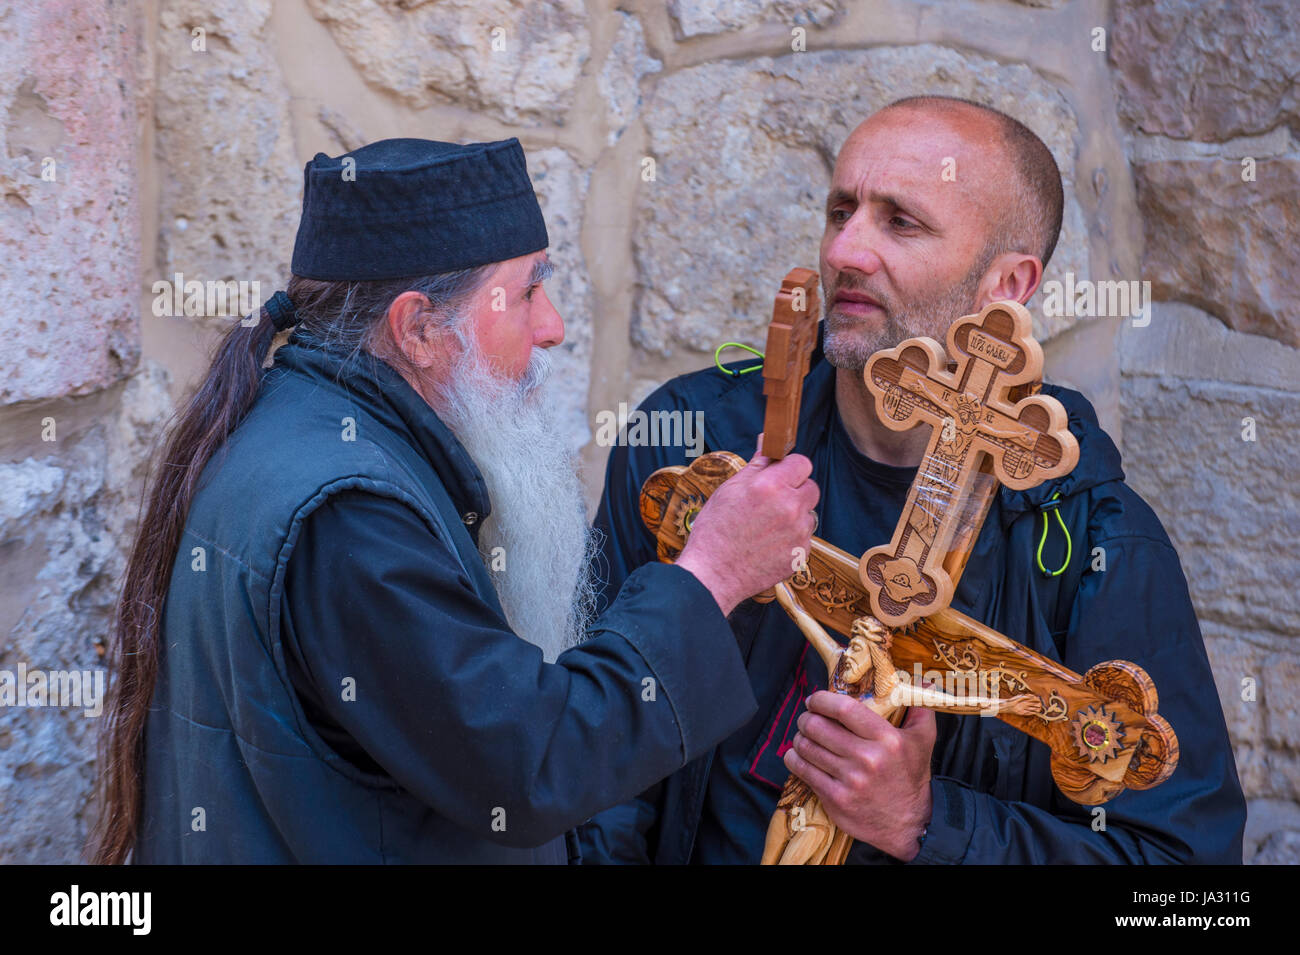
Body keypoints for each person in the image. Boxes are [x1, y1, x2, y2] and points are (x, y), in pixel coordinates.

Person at [90, 137, 819, 863]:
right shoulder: (349, 513)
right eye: (528, 291)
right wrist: (712, 574)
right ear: (418, 329)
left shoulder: (311, 429)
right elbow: (527, 763)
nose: (553, 326)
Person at [578, 96, 1246, 864]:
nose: (846, 252)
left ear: (1008, 284)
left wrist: (928, 822)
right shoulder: (701, 445)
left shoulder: (1098, 543)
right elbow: (602, 757)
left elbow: (1193, 891)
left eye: (901, 222)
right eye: (841, 211)